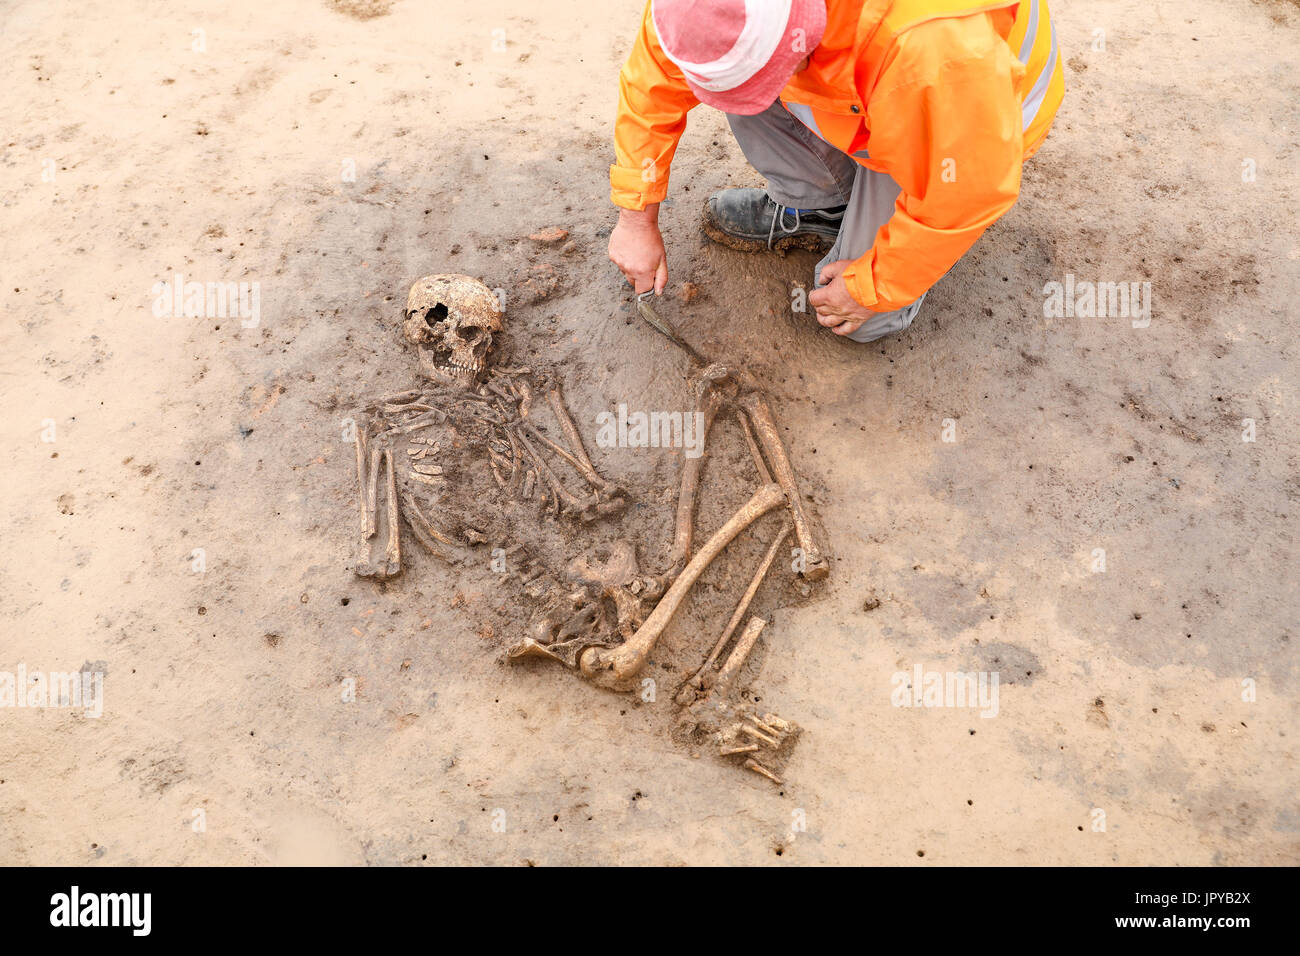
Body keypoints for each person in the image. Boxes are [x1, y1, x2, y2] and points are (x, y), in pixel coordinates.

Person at [606, 0, 1063, 342]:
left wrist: (872, 286)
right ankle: (825, 204)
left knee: (865, 320)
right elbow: (656, 81)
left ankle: (881, 226)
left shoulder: (930, 50)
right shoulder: (703, 7)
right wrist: (636, 214)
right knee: (731, 82)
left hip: (956, 125)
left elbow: (966, 189)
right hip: (871, 87)